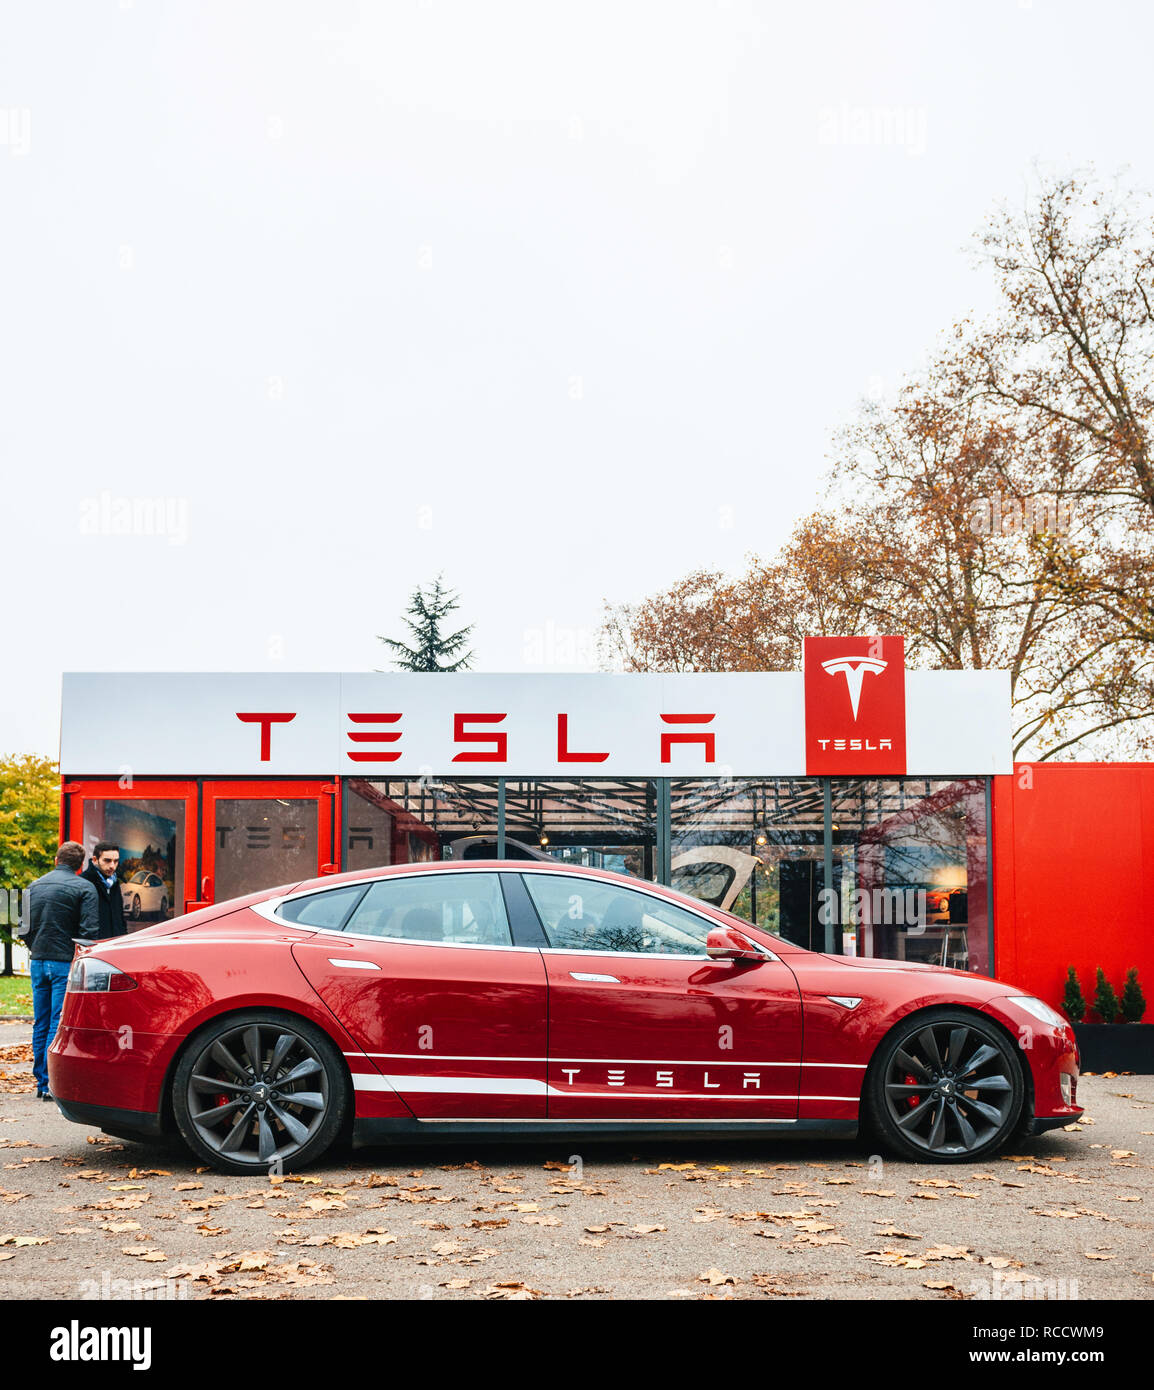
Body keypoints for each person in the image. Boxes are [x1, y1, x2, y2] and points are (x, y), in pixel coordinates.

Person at [26, 841, 99, 1100]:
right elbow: (89, 932)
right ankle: (50, 1084)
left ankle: (41, 1081)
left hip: (38, 959)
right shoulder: (84, 887)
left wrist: (35, 947)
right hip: (63, 961)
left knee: (41, 1020)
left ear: (56, 860)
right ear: (80, 866)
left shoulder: (33, 886)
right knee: (58, 1022)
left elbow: (23, 927)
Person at [81, 841, 126, 940]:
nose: (112, 866)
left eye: (116, 861)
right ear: (95, 860)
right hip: (94, 947)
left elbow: (120, 918)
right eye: (107, 860)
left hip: (115, 945)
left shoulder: (114, 882)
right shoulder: (83, 882)